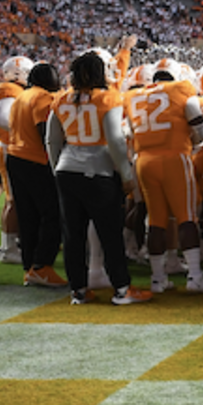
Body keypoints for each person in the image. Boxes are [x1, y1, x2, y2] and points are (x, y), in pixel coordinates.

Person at [46, 52, 142, 305]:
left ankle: (78, 290)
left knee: (72, 235)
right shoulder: (108, 97)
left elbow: (52, 140)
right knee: (110, 233)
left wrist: (58, 168)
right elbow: (115, 140)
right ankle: (121, 288)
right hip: (98, 170)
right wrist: (126, 174)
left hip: (67, 169)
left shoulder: (60, 99)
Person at [125, 60, 203, 301]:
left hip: (144, 161)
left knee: (156, 219)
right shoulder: (182, 91)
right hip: (174, 157)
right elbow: (200, 129)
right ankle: (195, 276)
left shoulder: (135, 96)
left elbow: (130, 132)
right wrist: (193, 144)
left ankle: (157, 278)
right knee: (186, 217)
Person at [6, 62, 66, 288]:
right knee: (53, 214)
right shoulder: (43, 98)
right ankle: (42, 265)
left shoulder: (22, 96)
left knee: (27, 216)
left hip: (15, 157)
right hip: (35, 160)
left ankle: (30, 267)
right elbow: (45, 132)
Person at [0, 55, 33, 264]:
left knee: (17, 199)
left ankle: (16, 242)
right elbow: (4, 119)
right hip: (9, 148)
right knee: (13, 200)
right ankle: (7, 248)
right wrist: (27, 130)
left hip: (10, 147)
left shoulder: (14, 89)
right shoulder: (10, 89)